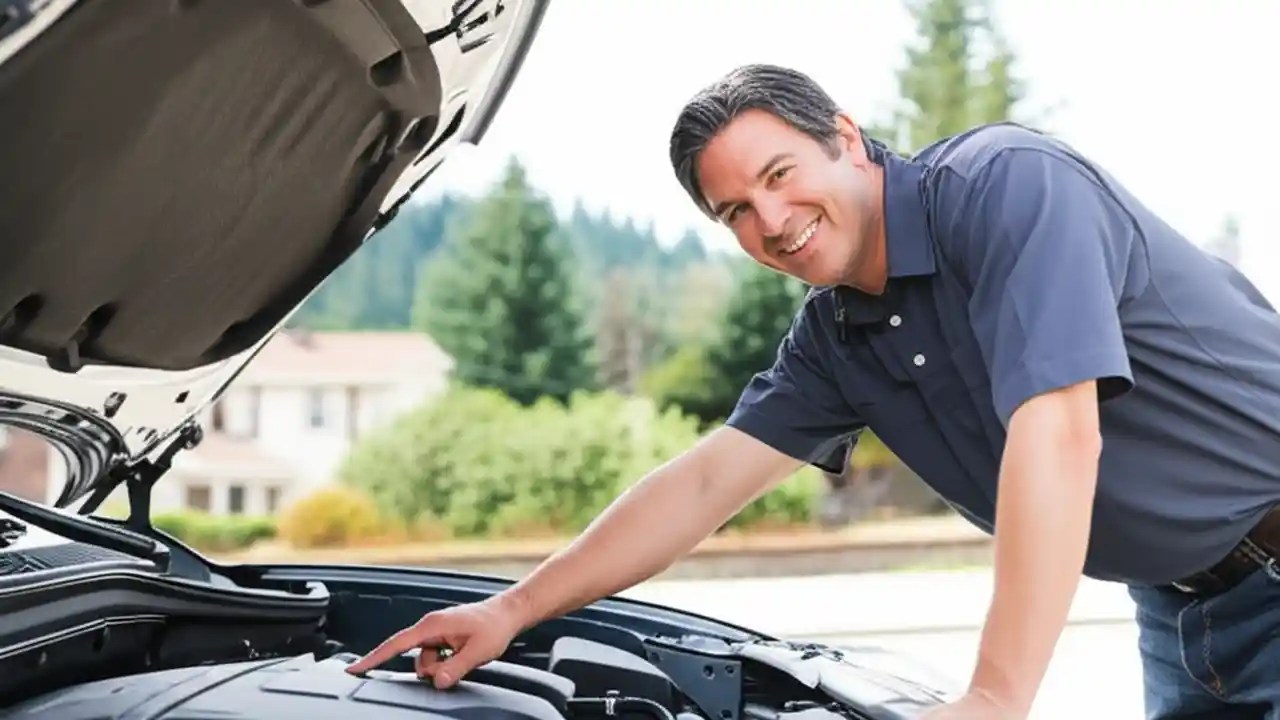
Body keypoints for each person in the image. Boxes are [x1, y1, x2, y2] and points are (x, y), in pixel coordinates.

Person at [347, 63, 1280, 719]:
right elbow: (703, 485)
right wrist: (511, 609)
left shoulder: (1007, 189)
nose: (773, 222)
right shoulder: (836, 341)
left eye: (779, 175)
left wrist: (996, 697)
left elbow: (1061, 435)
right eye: (736, 212)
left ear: (843, 136)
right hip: (1185, 610)